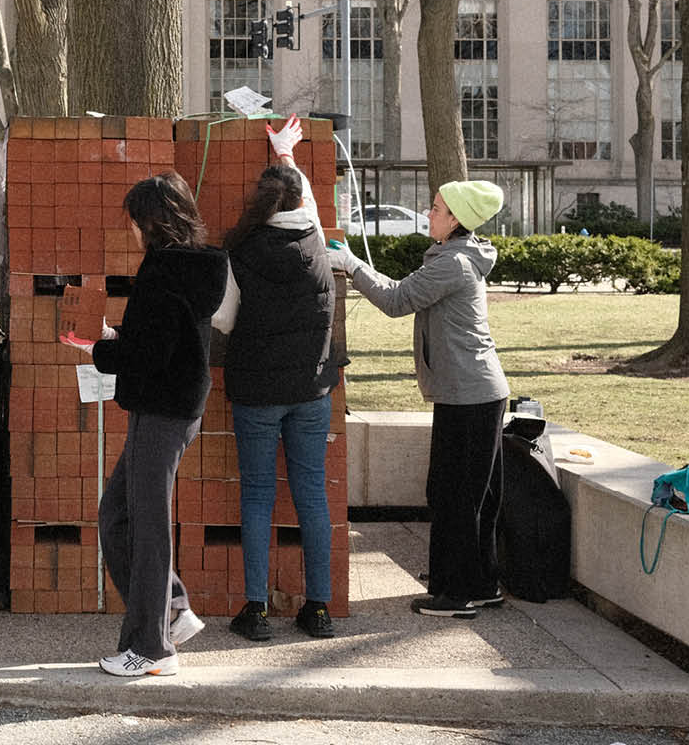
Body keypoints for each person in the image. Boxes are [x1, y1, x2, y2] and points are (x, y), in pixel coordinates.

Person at [63, 172, 227, 677]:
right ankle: (173, 610)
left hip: (162, 410)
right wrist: (115, 336)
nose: (130, 229)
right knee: (117, 515)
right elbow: (163, 337)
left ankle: (151, 649)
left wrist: (100, 349)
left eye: (134, 220)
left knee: (147, 528)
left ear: (148, 222)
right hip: (173, 407)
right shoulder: (191, 267)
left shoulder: (162, 272)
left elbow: (148, 354)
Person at [327, 179, 510, 618]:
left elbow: (396, 300)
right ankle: (482, 583)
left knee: (455, 495)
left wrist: (351, 263)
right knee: (471, 494)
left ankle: (457, 594)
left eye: (435, 208)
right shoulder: (455, 256)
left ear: (456, 220)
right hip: (470, 392)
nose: (428, 214)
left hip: (470, 395)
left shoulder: (455, 264)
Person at [211, 114, 340, 642]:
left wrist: (280, 158)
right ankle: (319, 609)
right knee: (311, 494)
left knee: (258, 495)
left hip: (257, 392)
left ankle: (257, 610)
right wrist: (286, 151)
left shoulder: (241, 254)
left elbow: (223, 320)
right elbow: (302, 197)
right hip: (313, 389)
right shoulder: (316, 241)